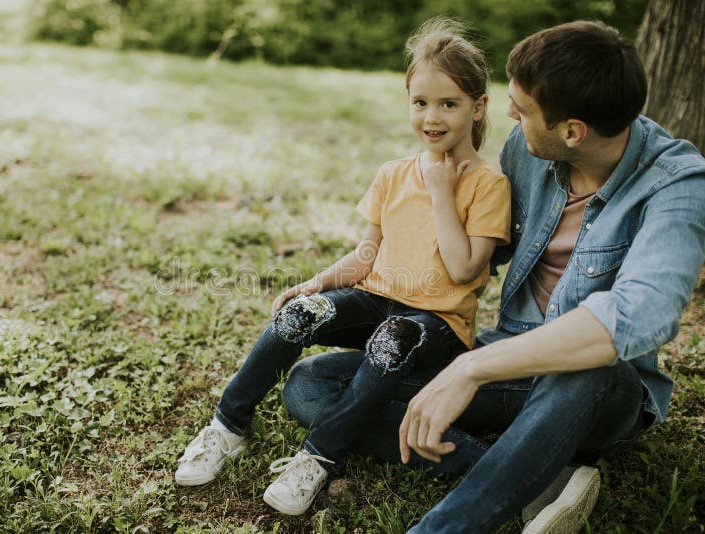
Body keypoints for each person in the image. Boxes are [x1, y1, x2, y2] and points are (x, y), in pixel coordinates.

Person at [283, 20, 705, 532]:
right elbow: (472, 258)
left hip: (595, 394)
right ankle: (529, 474)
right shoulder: (527, 153)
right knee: (313, 385)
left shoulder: (677, 185)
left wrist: (471, 370)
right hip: (506, 359)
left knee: (591, 366)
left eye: (522, 110)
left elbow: (638, 317)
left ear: (572, 131)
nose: (508, 115)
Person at [174, 18, 511, 516]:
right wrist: (314, 285)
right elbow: (367, 255)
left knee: (393, 335)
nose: (431, 117)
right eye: (420, 103)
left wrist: (442, 191)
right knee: (299, 316)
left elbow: (463, 271)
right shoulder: (393, 174)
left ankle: (319, 456)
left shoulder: (488, 185)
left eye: (449, 103)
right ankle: (227, 426)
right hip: (377, 299)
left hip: (435, 325)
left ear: (478, 106)